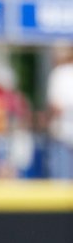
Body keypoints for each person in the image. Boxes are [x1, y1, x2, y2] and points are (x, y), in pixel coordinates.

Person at [48, 45, 73, 179]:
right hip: (63, 131)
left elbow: (55, 106)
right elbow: (56, 106)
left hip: (62, 131)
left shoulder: (59, 73)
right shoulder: (60, 73)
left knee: (61, 180)